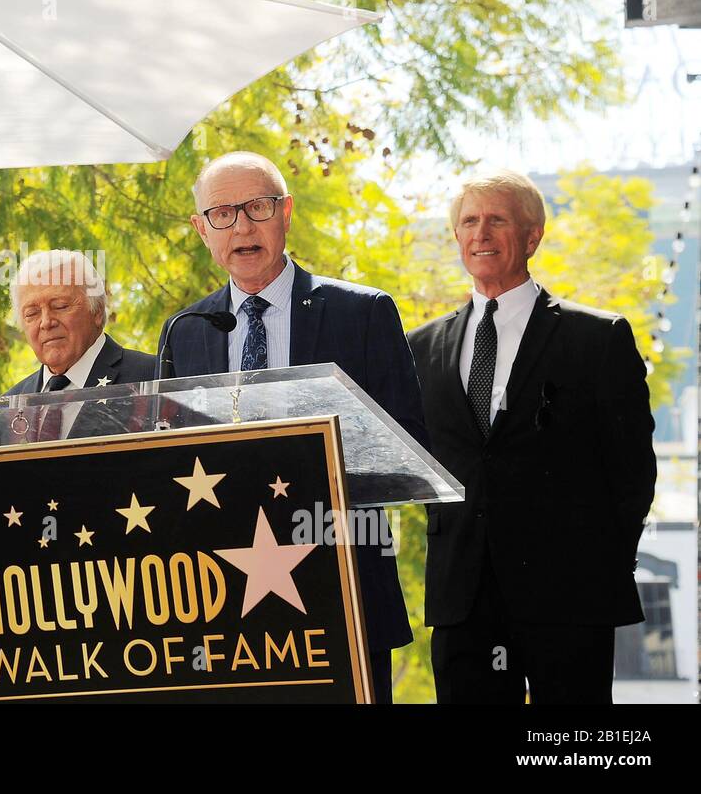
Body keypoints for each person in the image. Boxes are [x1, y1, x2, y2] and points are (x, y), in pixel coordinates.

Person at [158, 152, 425, 704]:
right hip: (225, 600)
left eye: (257, 207)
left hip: (340, 583)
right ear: (201, 229)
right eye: (222, 214)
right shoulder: (185, 331)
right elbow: (169, 462)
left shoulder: (363, 313)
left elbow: (406, 444)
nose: (243, 226)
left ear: (287, 212)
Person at [407, 170, 655, 704]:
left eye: (497, 219)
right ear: (456, 237)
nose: (481, 233)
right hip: (463, 599)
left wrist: (602, 561)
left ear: (532, 236)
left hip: (570, 597)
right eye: (469, 221)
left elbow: (633, 472)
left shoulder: (597, 339)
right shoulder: (419, 347)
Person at [0, 249, 153, 443]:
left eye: (60, 306)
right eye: (32, 313)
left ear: (97, 310)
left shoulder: (153, 378)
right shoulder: (7, 409)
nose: (46, 322)